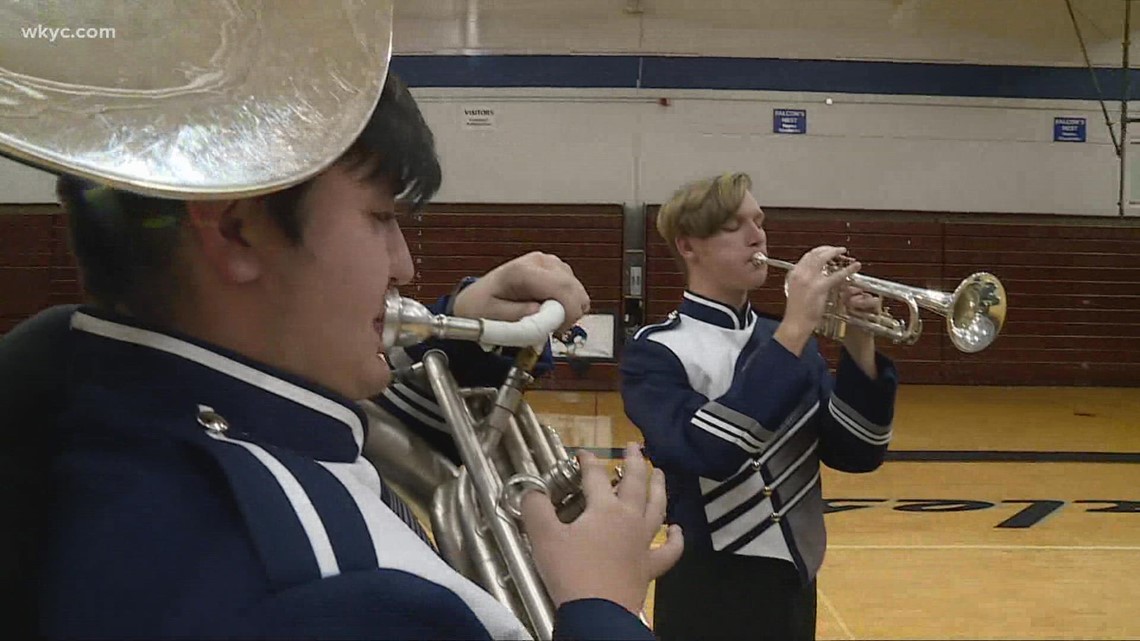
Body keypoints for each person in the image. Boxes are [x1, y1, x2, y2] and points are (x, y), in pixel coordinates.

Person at [13, 72, 682, 640]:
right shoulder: (334, 596)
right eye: (381, 217)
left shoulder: (76, 378)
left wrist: (463, 332)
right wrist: (603, 603)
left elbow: (309, 422)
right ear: (237, 229)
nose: (405, 263)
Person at [619, 172, 898, 641]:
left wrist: (860, 342)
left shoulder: (786, 344)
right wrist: (794, 331)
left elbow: (859, 452)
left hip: (795, 579)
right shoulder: (656, 351)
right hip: (708, 586)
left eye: (759, 221)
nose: (757, 236)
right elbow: (709, 452)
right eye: (735, 226)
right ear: (689, 247)